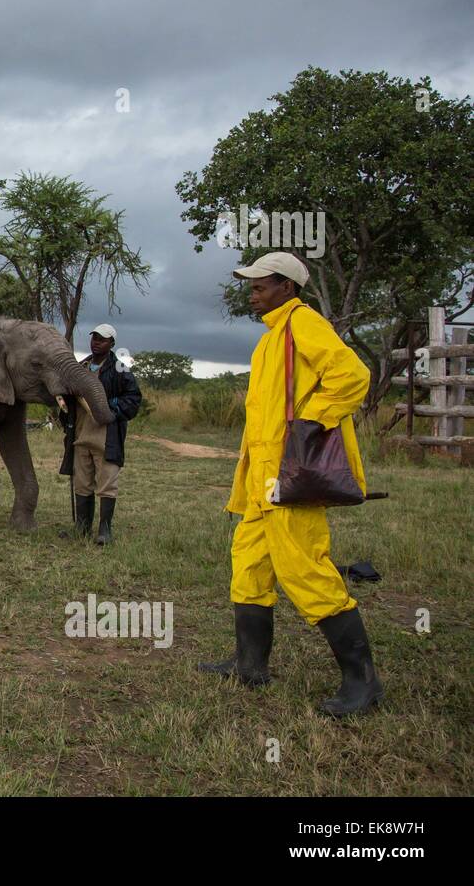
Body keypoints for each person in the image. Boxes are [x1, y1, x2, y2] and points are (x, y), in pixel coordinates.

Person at [199, 251, 383, 717]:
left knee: (304, 569)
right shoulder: (269, 340)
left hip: (290, 476)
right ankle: (249, 666)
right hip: (262, 481)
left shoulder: (303, 323)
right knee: (249, 565)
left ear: (287, 287)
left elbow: (353, 376)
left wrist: (311, 420)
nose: (252, 293)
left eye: (261, 286)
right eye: (252, 285)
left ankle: (363, 684)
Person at [59, 324, 141, 544]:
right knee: (82, 482)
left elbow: (133, 400)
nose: (96, 342)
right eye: (94, 337)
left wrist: (111, 408)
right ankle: (82, 528)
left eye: (102, 339)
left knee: (107, 482)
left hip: (107, 436)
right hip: (80, 434)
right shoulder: (81, 366)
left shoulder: (120, 369)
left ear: (112, 344)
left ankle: (105, 531)